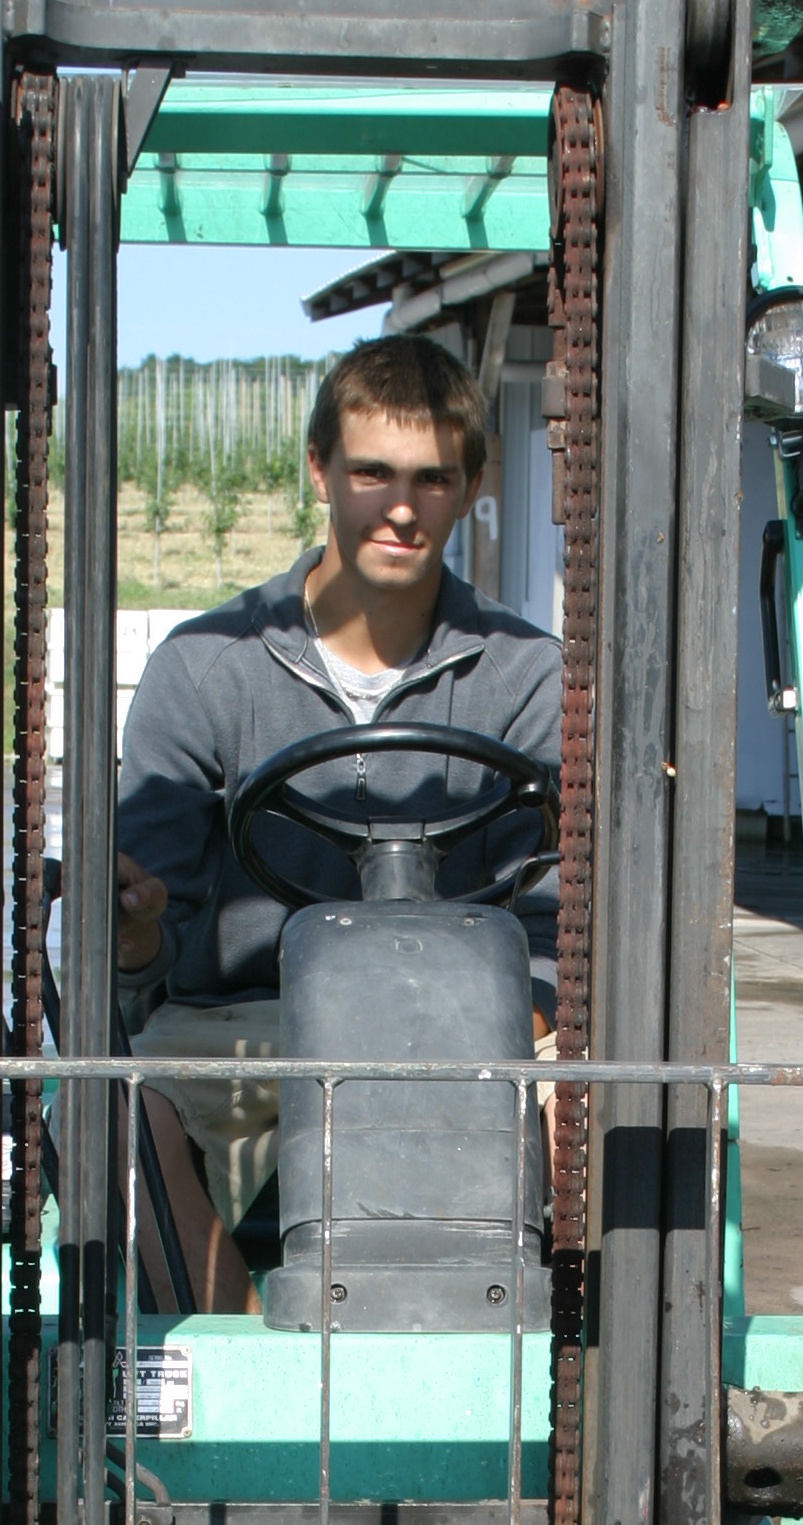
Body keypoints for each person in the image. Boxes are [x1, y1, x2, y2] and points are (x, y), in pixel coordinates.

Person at [113, 336, 562, 1307]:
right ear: (319, 468)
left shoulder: (529, 675)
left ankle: (566, 1383)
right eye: (372, 474)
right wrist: (139, 926)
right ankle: (232, 1374)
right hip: (247, 1027)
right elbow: (147, 941)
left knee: (602, 1109)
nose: (400, 509)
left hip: (470, 1024)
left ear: (472, 485)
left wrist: (509, 1029)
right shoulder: (204, 667)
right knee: (103, 1114)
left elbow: (555, 912)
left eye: (430, 480)